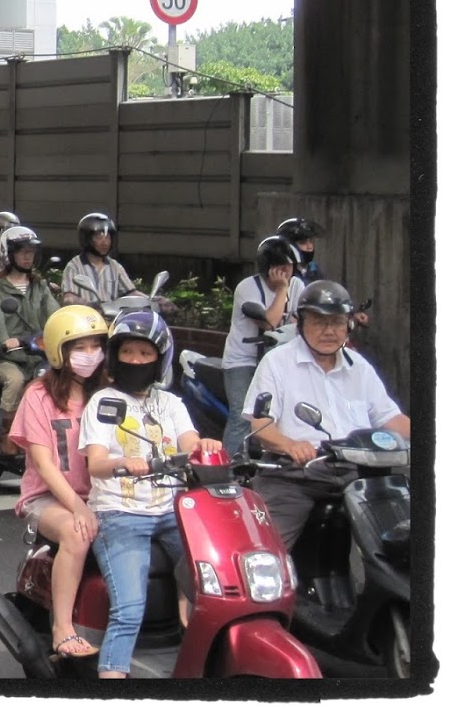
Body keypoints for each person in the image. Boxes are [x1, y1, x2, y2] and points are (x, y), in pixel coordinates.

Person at [79, 310, 222, 679]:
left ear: (160, 359)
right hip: (120, 513)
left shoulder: (170, 403)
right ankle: (112, 677)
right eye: (129, 352)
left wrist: (203, 444)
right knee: (128, 608)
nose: (137, 360)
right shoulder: (103, 402)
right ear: (116, 356)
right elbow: (95, 463)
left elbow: (188, 441)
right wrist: (126, 462)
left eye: (145, 354)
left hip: (174, 509)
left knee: (216, 583)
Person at [245, 280, 410, 551]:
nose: (329, 331)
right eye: (319, 322)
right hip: (296, 474)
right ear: (301, 324)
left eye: (337, 322)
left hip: (360, 473)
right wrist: (291, 445)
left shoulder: (360, 367)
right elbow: (261, 426)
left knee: (405, 541)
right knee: (264, 555)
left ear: (349, 325)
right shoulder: (277, 362)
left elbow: (391, 419)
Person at [9, 305, 110, 659]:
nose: (89, 355)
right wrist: (78, 506)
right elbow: (43, 464)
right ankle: (62, 629)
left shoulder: (108, 394)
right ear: (58, 351)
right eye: (79, 347)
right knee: (76, 532)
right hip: (47, 498)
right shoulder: (39, 396)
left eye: (95, 345)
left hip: (101, 496)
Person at [220, 235, 306, 457]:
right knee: (242, 416)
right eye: (280, 267)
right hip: (243, 360)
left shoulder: (298, 285)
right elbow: (270, 321)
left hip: (276, 358)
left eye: (289, 266)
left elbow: (299, 321)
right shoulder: (247, 288)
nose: (286, 272)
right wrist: (281, 290)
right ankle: (228, 467)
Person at [0, 225, 58, 454]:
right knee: (14, 381)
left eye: (31, 252)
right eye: (22, 251)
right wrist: (6, 341)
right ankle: (8, 437)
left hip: (37, 355)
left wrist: (66, 329)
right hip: (6, 358)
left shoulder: (40, 286)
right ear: (9, 254)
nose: (28, 257)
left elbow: (54, 314)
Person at [60, 212, 137, 306]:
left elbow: (131, 293)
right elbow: (68, 298)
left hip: (112, 317)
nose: (105, 243)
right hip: (86, 317)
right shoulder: (74, 266)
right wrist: (88, 304)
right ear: (87, 239)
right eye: (99, 237)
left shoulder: (115, 267)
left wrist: (151, 300)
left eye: (108, 237)